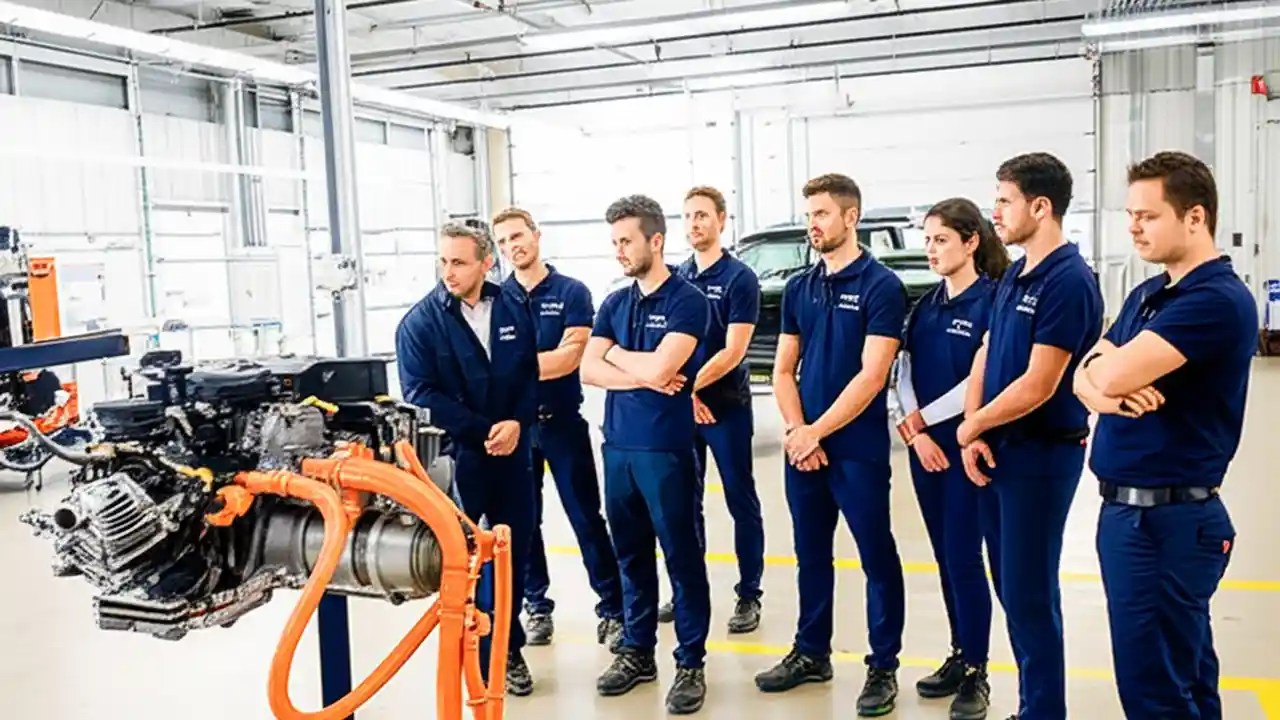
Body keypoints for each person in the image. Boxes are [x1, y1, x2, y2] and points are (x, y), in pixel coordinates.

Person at [1072, 151, 1253, 720]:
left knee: (1156, 689)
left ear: (1194, 217)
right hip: (1134, 516)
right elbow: (1086, 372)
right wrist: (1101, 389)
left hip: (1165, 524)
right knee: (1186, 675)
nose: (1133, 227)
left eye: (1147, 216)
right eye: (1130, 214)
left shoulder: (1214, 301)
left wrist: (1105, 378)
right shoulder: (1150, 294)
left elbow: (1111, 368)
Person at [955, 152, 1103, 720]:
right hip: (998, 450)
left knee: (1031, 596)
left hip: (1042, 457)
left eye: (1005, 200)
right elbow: (987, 353)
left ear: (1040, 207)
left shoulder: (1069, 280)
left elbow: (1040, 384)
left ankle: (1043, 711)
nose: (996, 211)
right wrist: (974, 432)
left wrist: (973, 424)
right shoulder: (1015, 273)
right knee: (1012, 592)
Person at [754, 173, 907, 718]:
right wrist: (798, 432)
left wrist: (816, 433)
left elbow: (872, 376)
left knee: (876, 556)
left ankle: (883, 665)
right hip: (805, 449)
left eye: (821, 213)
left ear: (851, 217)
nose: (812, 224)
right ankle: (812, 651)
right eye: (808, 215)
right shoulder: (800, 286)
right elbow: (782, 368)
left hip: (857, 450)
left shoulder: (881, 286)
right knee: (811, 555)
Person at [394, 221, 540, 696]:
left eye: (458, 262)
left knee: (512, 554)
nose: (448, 271)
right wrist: (484, 431)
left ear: (485, 263)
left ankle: (508, 649)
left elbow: (527, 372)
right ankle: (469, 649)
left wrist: (518, 423)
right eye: (443, 262)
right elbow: (420, 394)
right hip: (460, 460)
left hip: (513, 453)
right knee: (462, 559)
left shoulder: (514, 304)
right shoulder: (420, 323)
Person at [581, 194, 713, 715]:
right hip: (618, 448)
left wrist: (617, 356)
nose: (619, 251)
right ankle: (638, 651)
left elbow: (665, 372)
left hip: (667, 450)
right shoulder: (615, 302)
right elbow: (588, 370)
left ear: (656, 241)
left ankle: (690, 662)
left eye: (627, 241)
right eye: (614, 242)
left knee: (682, 558)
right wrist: (632, 363)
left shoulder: (688, 301)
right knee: (631, 555)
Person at [891, 198, 1007, 720]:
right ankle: (960, 653)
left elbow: (978, 384)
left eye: (941, 239)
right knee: (943, 557)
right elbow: (905, 369)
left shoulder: (992, 302)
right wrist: (916, 435)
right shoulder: (927, 305)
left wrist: (925, 425)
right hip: (926, 452)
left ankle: (978, 671)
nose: (931, 249)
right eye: (928, 240)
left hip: (966, 452)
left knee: (964, 559)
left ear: (971, 241)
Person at [493, 206, 625, 649]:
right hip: (516, 430)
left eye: (518, 236)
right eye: (505, 241)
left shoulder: (572, 292)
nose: (514, 246)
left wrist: (507, 368)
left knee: (586, 517)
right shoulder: (495, 300)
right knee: (522, 526)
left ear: (537, 235)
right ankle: (537, 607)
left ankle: (612, 608)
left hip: (562, 425)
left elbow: (572, 357)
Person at [654, 185, 766, 634]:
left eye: (702, 215)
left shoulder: (740, 279)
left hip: (726, 409)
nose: (694, 223)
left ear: (722, 220)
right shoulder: (676, 277)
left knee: (741, 498)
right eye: (687, 216)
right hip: (684, 409)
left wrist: (693, 390)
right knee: (683, 504)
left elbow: (734, 351)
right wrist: (685, 397)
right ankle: (686, 591)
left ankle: (749, 595)